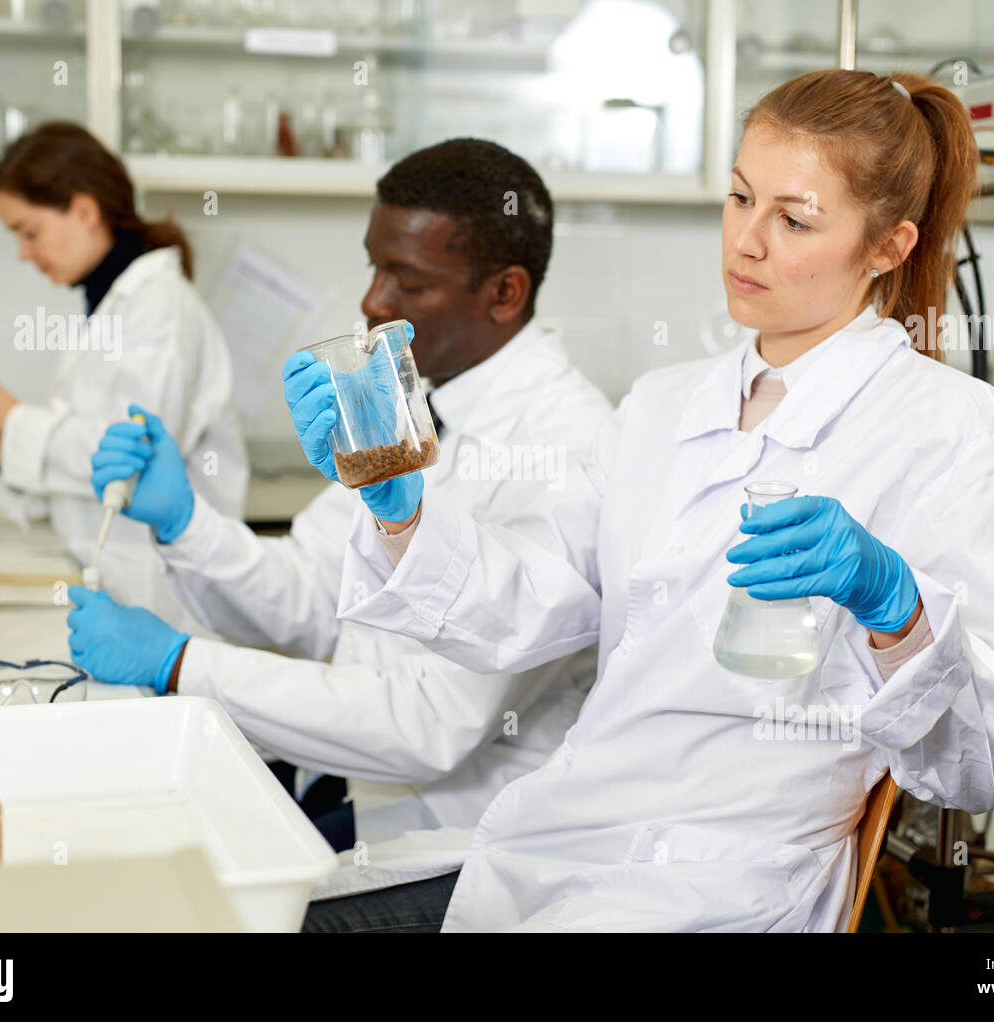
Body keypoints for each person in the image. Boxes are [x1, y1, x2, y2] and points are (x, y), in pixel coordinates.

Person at [287, 70, 994, 931]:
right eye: (739, 199)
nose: (747, 242)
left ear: (887, 246)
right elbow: (524, 597)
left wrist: (897, 605)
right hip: (569, 837)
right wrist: (402, 509)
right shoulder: (663, 406)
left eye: (794, 219)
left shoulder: (946, 426)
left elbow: (987, 759)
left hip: (728, 883)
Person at [63, 139, 613, 913]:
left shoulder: (569, 449)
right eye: (373, 267)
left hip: (462, 848)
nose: (374, 302)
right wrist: (186, 522)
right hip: (360, 789)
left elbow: (427, 724)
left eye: (408, 280)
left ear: (505, 292)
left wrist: (181, 665)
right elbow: (308, 596)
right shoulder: (419, 394)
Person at [0, 122, 247, 631]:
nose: (24, 253)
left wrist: (13, 423)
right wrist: (2, 452)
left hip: (167, 598)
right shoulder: (110, 306)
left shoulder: (160, 309)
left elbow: (134, 458)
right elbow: (83, 469)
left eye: (29, 232)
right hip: (119, 584)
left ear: (84, 210)